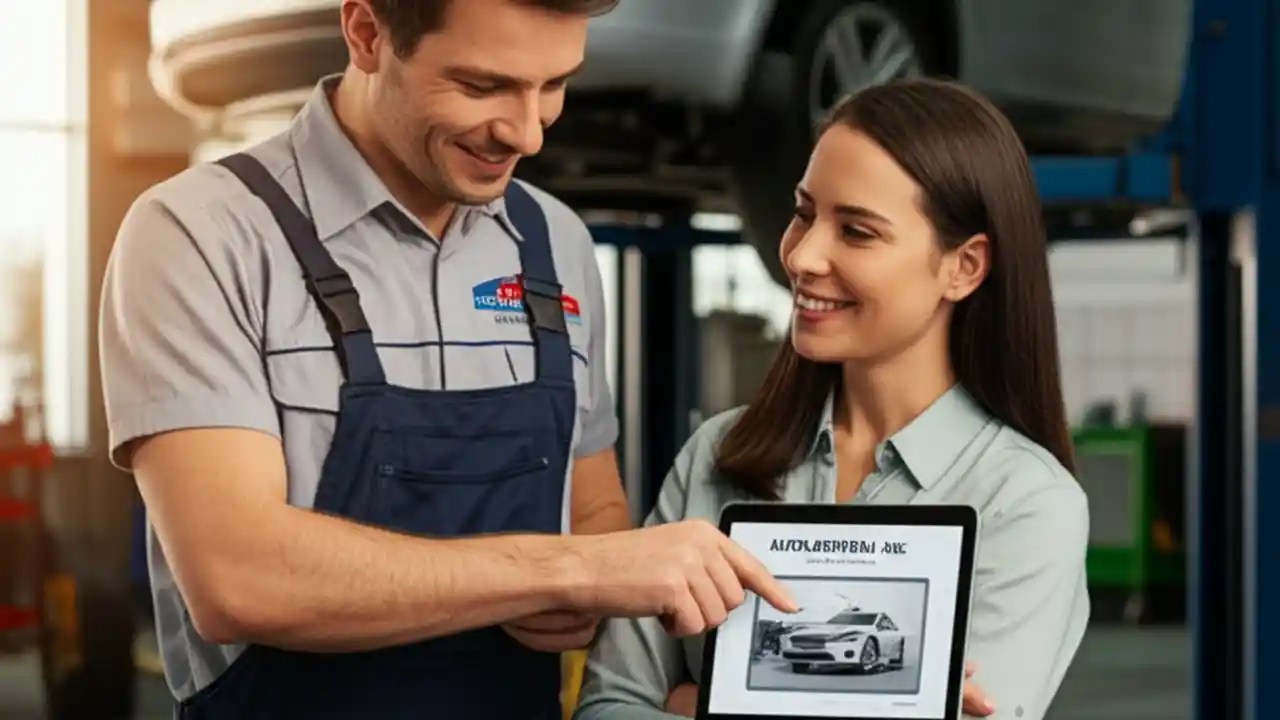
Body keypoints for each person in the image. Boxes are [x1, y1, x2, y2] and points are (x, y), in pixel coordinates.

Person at [98, 1, 796, 718]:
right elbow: (237, 579)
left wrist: (586, 588)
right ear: (367, 35)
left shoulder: (554, 242)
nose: (525, 132)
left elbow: (592, 509)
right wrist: (564, 573)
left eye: (554, 85)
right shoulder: (204, 236)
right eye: (481, 86)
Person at [572, 78, 1091, 720]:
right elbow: (609, 706)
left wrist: (693, 704)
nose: (803, 254)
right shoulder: (718, 455)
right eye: (803, 212)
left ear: (964, 267)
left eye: (857, 232)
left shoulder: (1026, 505)